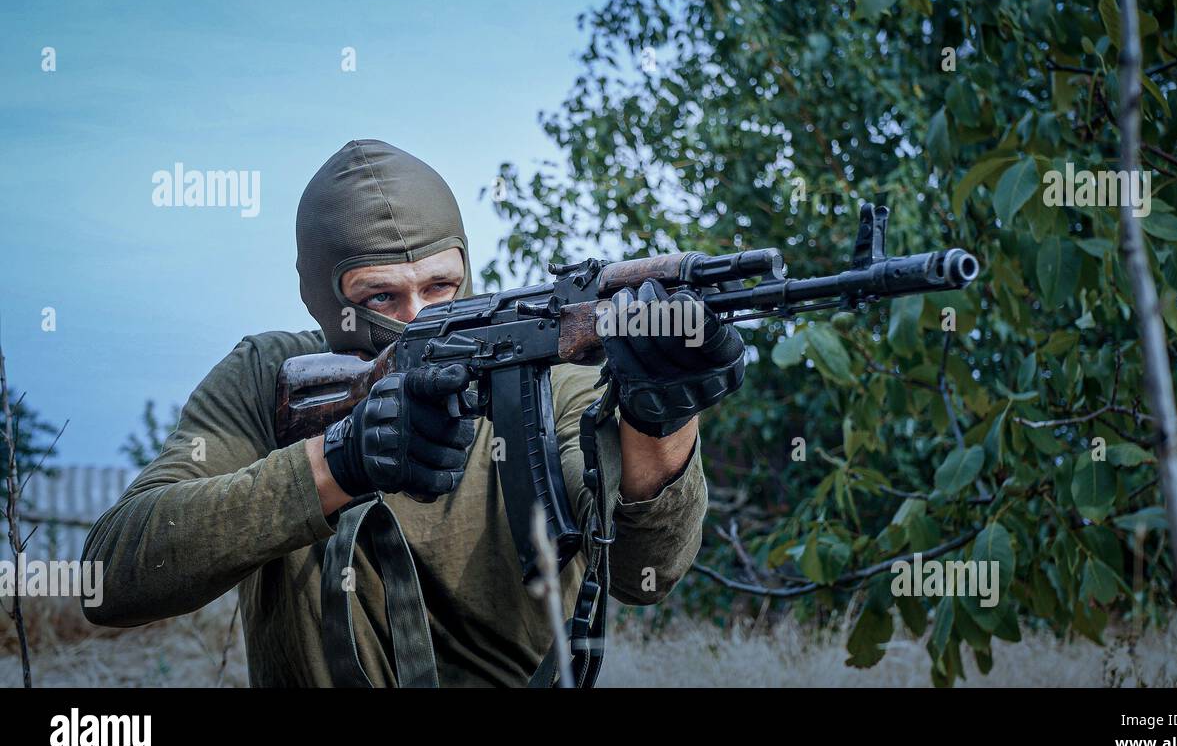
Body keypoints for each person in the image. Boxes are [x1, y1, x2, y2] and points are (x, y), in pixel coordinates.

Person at [82, 139, 746, 687]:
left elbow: (642, 573)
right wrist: (339, 462)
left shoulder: (553, 378)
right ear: (322, 296)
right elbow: (109, 579)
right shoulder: (267, 379)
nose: (417, 317)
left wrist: (662, 417)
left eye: (441, 286)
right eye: (379, 295)